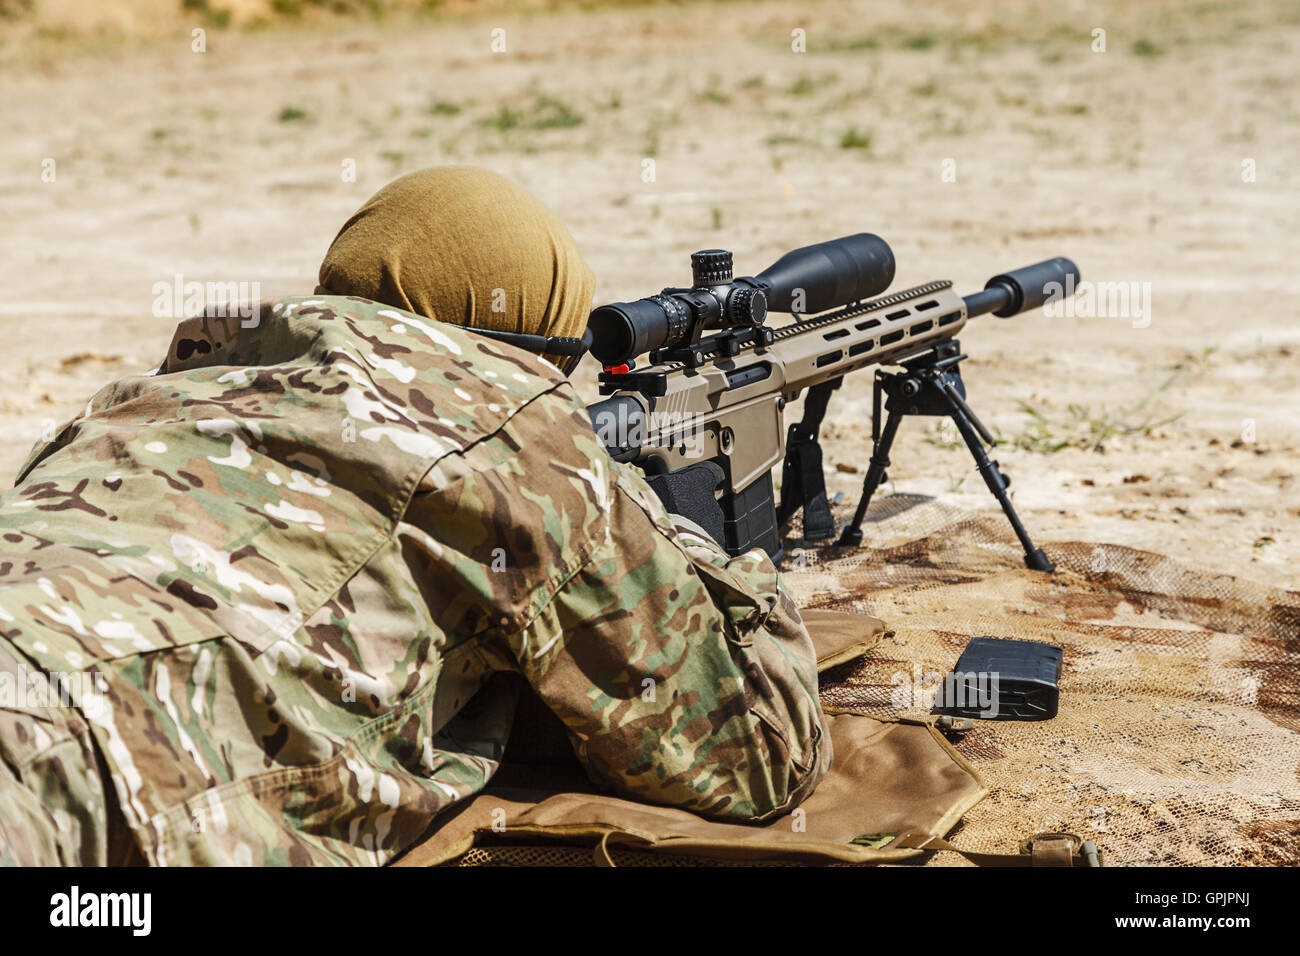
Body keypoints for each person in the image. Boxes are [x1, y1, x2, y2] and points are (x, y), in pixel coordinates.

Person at [0, 166, 830, 866]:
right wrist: (657, 522)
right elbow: (758, 761)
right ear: (537, 347)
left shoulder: (148, 396)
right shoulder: (517, 430)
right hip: (68, 771)